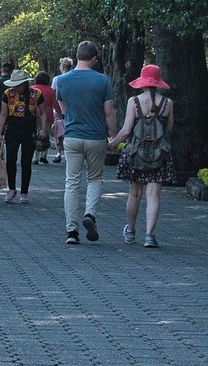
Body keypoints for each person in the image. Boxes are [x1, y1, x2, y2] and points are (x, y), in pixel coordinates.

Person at [53, 41, 116, 245]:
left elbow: (63, 108)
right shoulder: (102, 80)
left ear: (77, 56)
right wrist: (112, 137)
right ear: (94, 58)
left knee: (72, 182)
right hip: (96, 136)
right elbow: (109, 112)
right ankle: (90, 214)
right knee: (95, 178)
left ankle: (71, 230)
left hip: (72, 136)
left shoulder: (62, 80)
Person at [109, 64, 175, 248]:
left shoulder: (134, 102)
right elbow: (169, 130)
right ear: (158, 82)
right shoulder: (167, 104)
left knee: (135, 193)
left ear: (143, 81)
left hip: (136, 153)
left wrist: (111, 144)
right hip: (159, 155)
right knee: (153, 195)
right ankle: (149, 236)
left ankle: (130, 232)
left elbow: (126, 131)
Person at [0, 69, 47, 203]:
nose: (17, 87)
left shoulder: (36, 94)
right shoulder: (8, 94)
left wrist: (43, 129)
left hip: (28, 131)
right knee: (11, 159)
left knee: (26, 161)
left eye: (19, 84)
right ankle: (12, 188)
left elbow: (42, 112)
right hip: (12, 130)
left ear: (25, 83)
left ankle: (24, 191)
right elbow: (3, 114)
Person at [49, 57, 75, 163]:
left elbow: (53, 95)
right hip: (73, 108)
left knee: (57, 133)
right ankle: (71, 153)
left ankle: (59, 152)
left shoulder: (57, 79)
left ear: (63, 67)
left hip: (60, 108)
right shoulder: (75, 78)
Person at [31, 71, 60, 164]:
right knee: (45, 135)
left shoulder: (32, 88)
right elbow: (55, 104)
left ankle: (35, 157)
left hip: (34, 113)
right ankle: (44, 155)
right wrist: (59, 114)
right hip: (47, 113)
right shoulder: (51, 90)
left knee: (35, 135)